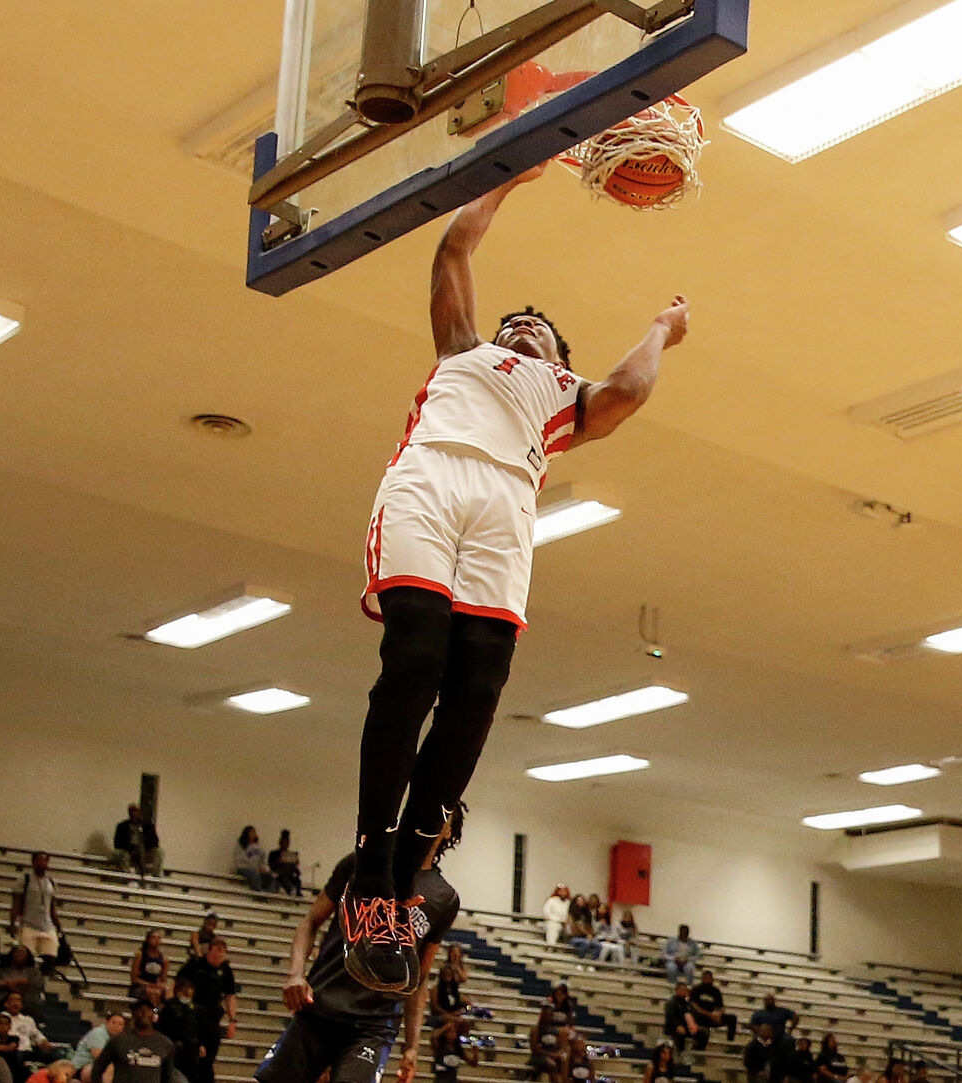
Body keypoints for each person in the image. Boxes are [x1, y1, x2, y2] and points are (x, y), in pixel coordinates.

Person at [339, 162, 689, 995]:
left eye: (537, 327)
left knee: (480, 684)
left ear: (559, 360)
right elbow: (454, 249)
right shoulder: (462, 350)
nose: (522, 326)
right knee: (415, 658)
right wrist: (509, 177)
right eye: (513, 320)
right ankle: (370, 864)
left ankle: (418, 853)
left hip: (506, 507)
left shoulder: (563, 398)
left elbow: (631, 388)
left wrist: (661, 329)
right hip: (431, 482)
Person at [259, 807, 463, 1083]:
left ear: (449, 829)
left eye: (444, 813)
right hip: (320, 1007)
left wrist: (412, 1047)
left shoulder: (444, 898)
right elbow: (310, 921)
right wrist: (296, 974)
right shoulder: (360, 863)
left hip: (373, 1026)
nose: (433, 816)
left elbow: (420, 976)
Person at [175, 939, 239, 1083]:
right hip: (192, 1016)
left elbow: (230, 995)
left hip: (211, 1019)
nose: (220, 955)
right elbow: (178, 983)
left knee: (208, 1058)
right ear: (210, 950)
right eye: (217, 950)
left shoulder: (225, 970)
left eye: (223, 951)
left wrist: (232, 1020)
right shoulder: (195, 964)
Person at [89, 1001, 177, 1083]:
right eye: (140, 1010)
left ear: (153, 1015)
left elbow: (168, 1078)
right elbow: (97, 1070)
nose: (144, 1013)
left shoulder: (165, 1044)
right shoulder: (118, 1041)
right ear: (133, 1014)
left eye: (148, 1010)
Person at [10, 854, 63, 974]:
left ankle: (41, 982)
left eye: (44, 861)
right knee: (26, 958)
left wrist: (59, 926)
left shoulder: (51, 882)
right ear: (33, 862)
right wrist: (13, 923)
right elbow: (17, 904)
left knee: (50, 957)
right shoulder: (25, 879)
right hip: (28, 924)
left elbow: (52, 908)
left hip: (47, 925)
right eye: (39, 860)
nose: (42, 863)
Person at [157, 977, 203, 1083]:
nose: (187, 997)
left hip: (191, 1049)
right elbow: (158, 1018)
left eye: (189, 995)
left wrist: (201, 1043)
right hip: (172, 1045)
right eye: (185, 993)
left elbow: (200, 1028)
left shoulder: (196, 1009)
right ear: (178, 991)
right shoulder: (168, 1005)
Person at [71, 1013, 124, 1082]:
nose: (117, 1026)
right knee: (109, 1067)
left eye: (120, 1024)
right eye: (114, 1023)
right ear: (107, 1023)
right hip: (80, 1068)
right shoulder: (98, 1033)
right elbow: (100, 1058)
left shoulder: (120, 1038)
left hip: (96, 1067)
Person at [111, 807, 162, 879]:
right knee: (120, 854)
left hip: (145, 851)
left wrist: (143, 845)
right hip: (128, 851)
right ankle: (128, 878)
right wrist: (131, 848)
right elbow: (117, 843)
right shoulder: (122, 826)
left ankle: (156, 878)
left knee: (159, 852)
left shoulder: (148, 826)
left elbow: (155, 842)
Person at [689, 971, 735, 1043]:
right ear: (702, 979)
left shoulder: (715, 991)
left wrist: (718, 1015)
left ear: (712, 979)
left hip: (714, 1018)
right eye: (705, 978)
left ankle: (730, 1042)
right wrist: (710, 1015)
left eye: (709, 978)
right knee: (695, 1016)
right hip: (700, 1017)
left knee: (732, 1018)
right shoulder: (696, 989)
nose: (707, 980)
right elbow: (695, 1006)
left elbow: (721, 1006)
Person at [127, 930, 168, 1007]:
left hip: (155, 987)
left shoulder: (164, 959)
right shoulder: (140, 955)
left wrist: (161, 985)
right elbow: (134, 979)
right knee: (153, 993)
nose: (156, 940)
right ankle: (151, 1013)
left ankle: (158, 1014)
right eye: (153, 938)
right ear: (148, 940)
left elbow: (163, 979)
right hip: (139, 987)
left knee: (166, 992)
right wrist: (151, 985)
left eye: (159, 938)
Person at [662, 982, 698, 1057]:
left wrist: (693, 1025)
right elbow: (670, 1016)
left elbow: (691, 1016)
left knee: (703, 1032)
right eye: (682, 989)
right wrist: (678, 1026)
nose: (684, 991)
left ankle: (697, 1053)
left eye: (685, 990)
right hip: (673, 1027)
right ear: (676, 990)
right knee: (680, 1032)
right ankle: (680, 1053)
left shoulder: (687, 1004)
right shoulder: (671, 1002)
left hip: (686, 1026)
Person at [233, 829, 271, 894]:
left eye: (254, 832)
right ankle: (259, 894)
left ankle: (268, 894)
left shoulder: (259, 847)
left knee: (270, 876)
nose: (253, 834)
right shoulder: (241, 845)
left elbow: (262, 860)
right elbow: (240, 860)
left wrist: (263, 868)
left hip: (255, 869)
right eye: (251, 832)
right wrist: (254, 868)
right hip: (243, 868)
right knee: (254, 873)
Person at [269, 832, 302, 897]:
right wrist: (279, 861)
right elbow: (271, 865)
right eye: (283, 842)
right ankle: (290, 889)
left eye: (286, 843)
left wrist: (295, 863)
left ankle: (297, 894)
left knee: (297, 880)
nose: (285, 845)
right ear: (280, 843)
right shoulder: (273, 853)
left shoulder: (291, 854)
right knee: (282, 875)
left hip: (289, 874)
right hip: (279, 873)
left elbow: (295, 869)